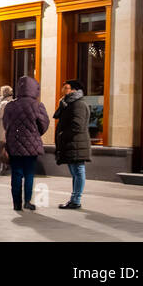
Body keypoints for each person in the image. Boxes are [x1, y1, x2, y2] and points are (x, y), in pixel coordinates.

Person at [0, 75, 49, 213]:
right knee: (29, 174)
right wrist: (34, 133)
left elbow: (6, 124)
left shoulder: (10, 105)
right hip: (31, 146)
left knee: (16, 174)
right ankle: (27, 202)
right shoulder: (38, 105)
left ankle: (16, 204)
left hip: (14, 144)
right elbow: (44, 124)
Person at [53, 79, 92, 210]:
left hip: (76, 143)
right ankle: (74, 199)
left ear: (74, 90)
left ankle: (76, 200)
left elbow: (77, 125)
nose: (63, 90)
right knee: (75, 172)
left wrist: (62, 135)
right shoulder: (68, 103)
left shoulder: (79, 104)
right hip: (71, 143)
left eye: (66, 88)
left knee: (78, 171)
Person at [0, 84, 14, 175]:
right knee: (5, 149)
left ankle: (3, 168)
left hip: (1, 128)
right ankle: (4, 168)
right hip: (8, 128)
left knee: (1, 149)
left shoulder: (3, 103)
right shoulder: (12, 102)